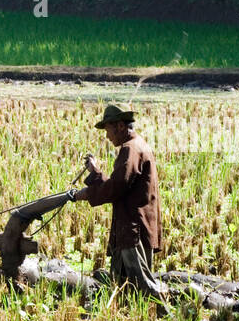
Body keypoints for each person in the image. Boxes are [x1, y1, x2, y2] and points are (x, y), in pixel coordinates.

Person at [69, 104, 166, 302]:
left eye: (108, 130)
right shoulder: (138, 145)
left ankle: (166, 317)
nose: (107, 136)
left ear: (120, 126)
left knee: (142, 283)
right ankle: (128, 320)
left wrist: (91, 183)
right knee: (120, 284)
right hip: (133, 226)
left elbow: (116, 188)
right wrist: (94, 176)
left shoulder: (131, 150)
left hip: (133, 228)